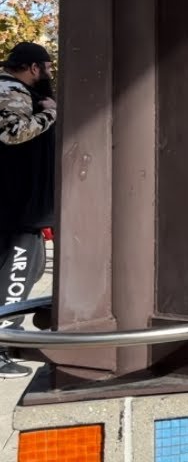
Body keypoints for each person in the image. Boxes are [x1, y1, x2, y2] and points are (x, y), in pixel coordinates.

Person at [0, 42, 56, 378]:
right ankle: (3, 348)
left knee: (23, 270)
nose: (49, 74)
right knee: (18, 274)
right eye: (47, 68)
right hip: (16, 208)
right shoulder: (12, 91)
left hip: (16, 206)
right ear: (34, 67)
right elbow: (13, 133)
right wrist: (49, 112)